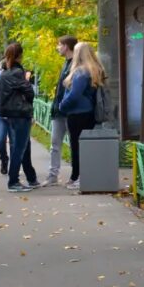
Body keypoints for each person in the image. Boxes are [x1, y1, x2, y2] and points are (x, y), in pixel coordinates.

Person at [59, 42, 106, 190]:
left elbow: (74, 95)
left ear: (78, 54)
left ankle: (78, 177)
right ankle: (77, 176)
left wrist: (62, 105)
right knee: (84, 146)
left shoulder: (80, 72)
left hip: (77, 114)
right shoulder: (95, 70)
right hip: (88, 113)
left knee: (76, 146)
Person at [0, 42, 40, 192]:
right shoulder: (16, 72)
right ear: (20, 56)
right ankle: (13, 181)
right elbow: (29, 92)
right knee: (19, 148)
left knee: (24, 146)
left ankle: (31, 178)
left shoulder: (5, 72)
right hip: (20, 114)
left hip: (11, 114)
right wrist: (27, 81)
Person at [46, 35, 77, 185]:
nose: (58, 48)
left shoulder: (75, 65)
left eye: (59, 45)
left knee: (74, 144)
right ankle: (53, 176)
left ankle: (75, 175)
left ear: (66, 46)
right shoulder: (65, 63)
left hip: (70, 112)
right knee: (54, 144)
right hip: (59, 111)